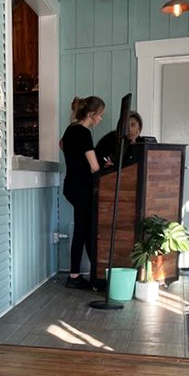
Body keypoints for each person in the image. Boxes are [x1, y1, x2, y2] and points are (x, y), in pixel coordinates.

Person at [61, 95, 104, 289]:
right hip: (82, 187)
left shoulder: (70, 129)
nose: (100, 119)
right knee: (82, 231)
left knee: (84, 230)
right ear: (91, 114)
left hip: (71, 185)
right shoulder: (84, 132)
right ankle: (75, 276)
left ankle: (88, 274)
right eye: (100, 115)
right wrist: (104, 167)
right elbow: (94, 167)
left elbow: (62, 144)